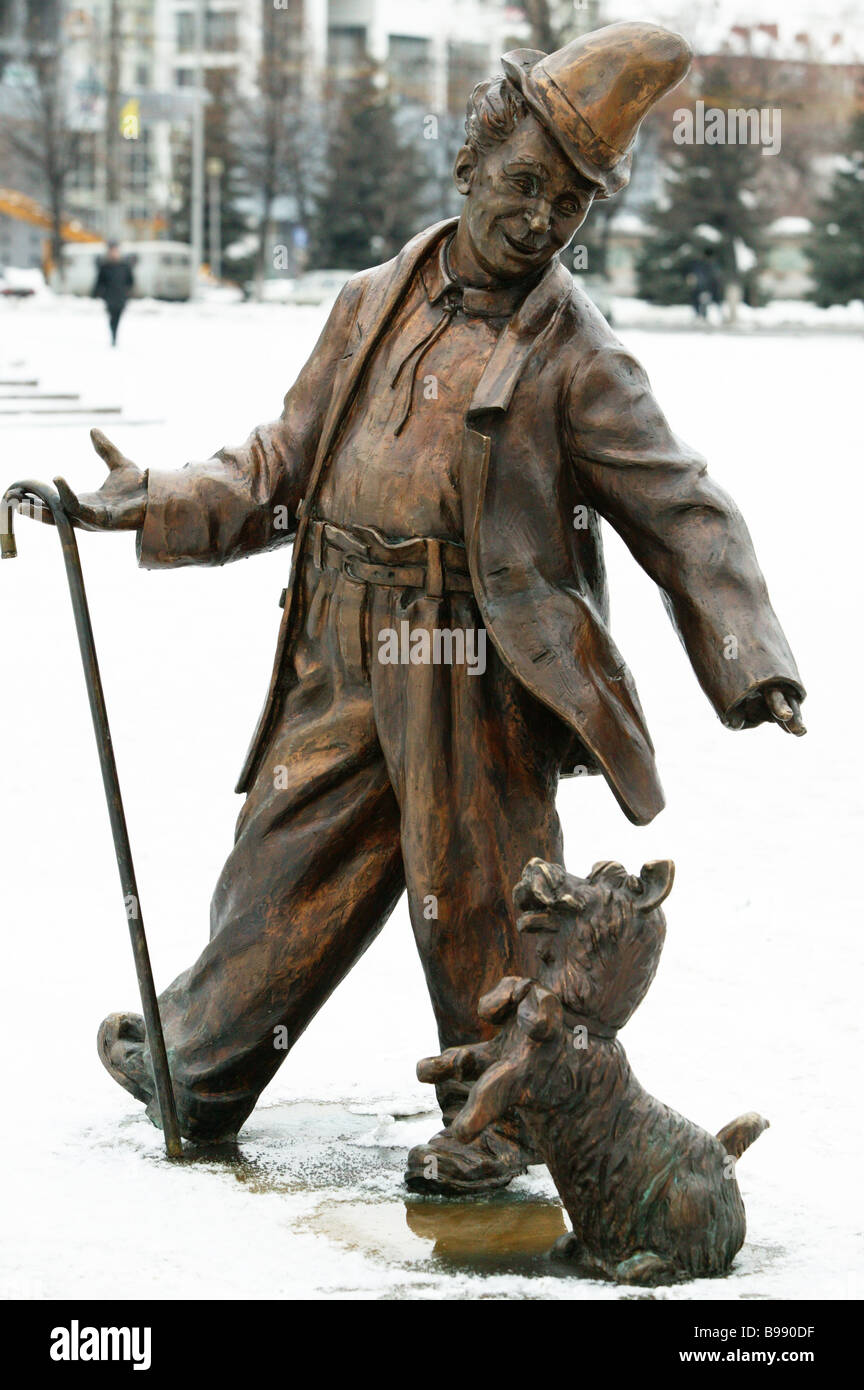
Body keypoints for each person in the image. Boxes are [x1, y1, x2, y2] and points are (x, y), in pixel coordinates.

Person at [52, 23, 805, 1194]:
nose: (541, 219)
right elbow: (277, 466)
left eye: (569, 205)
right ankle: (200, 1065)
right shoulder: (369, 299)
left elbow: (682, 503)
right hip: (344, 629)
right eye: (524, 184)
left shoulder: (577, 356)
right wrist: (151, 499)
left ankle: (499, 1113)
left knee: (483, 893)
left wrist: (747, 650)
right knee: (284, 858)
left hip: (471, 657)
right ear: (473, 162)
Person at [92, 242, 134, 346]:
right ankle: (113, 335)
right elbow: (99, 281)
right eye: (112, 251)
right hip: (109, 297)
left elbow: (130, 281)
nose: (114, 254)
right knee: (111, 318)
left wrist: (128, 291)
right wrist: (97, 293)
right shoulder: (105, 266)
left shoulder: (124, 266)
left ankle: (115, 335)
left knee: (118, 317)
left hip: (121, 297)